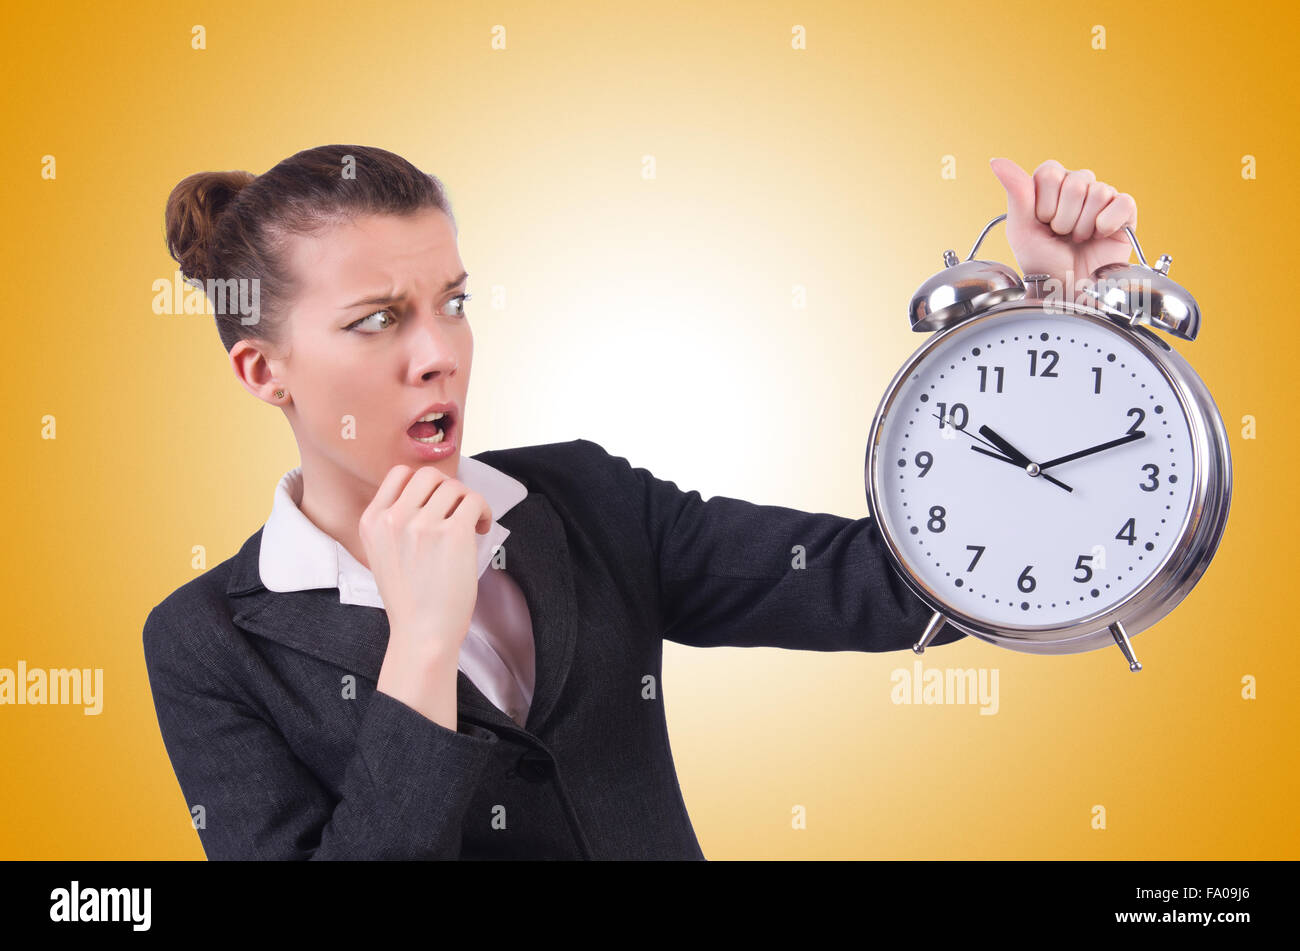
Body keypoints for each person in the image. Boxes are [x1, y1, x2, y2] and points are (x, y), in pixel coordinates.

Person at [143, 144, 1138, 859]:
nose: (438, 354)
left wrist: (1055, 331)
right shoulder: (207, 642)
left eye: (453, 301)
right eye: (375, 321)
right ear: (263, 370)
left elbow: (895, 584)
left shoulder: (582, 501)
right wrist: (419, 651)